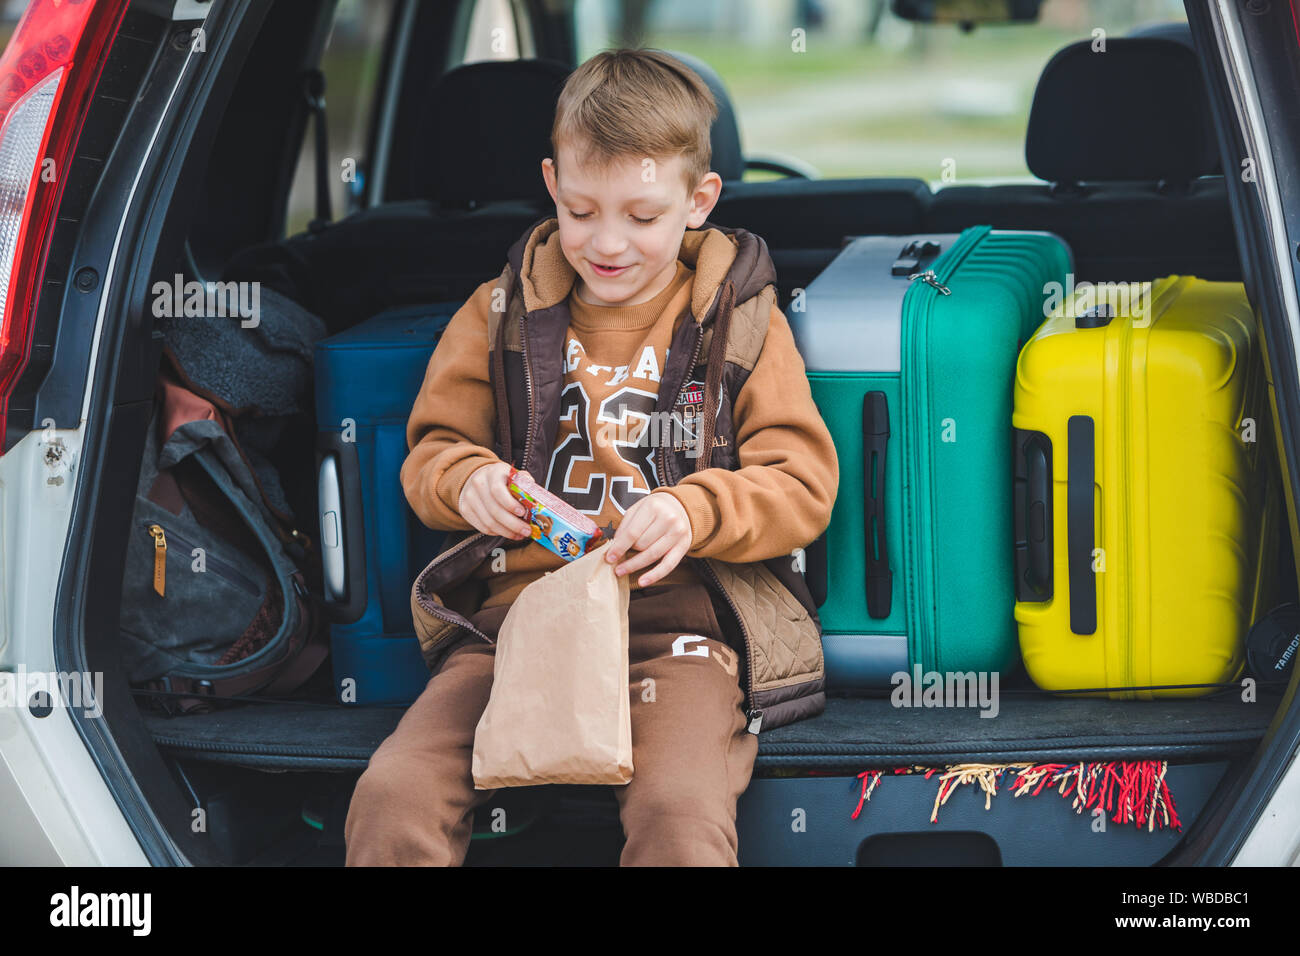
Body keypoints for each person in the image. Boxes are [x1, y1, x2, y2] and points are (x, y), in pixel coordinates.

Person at [344, 47, 838, 867]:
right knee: (393, 795)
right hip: (514, 625)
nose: (607, 243)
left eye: (642, 217)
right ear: (551, 186)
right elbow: (433, 451)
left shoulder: (741, 322)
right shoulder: (499, 310)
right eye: (581, 211)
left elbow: (802, 484)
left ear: (698, 200)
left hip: (679, 630)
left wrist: (694, 508)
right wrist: (467, 483)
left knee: (681, 814)